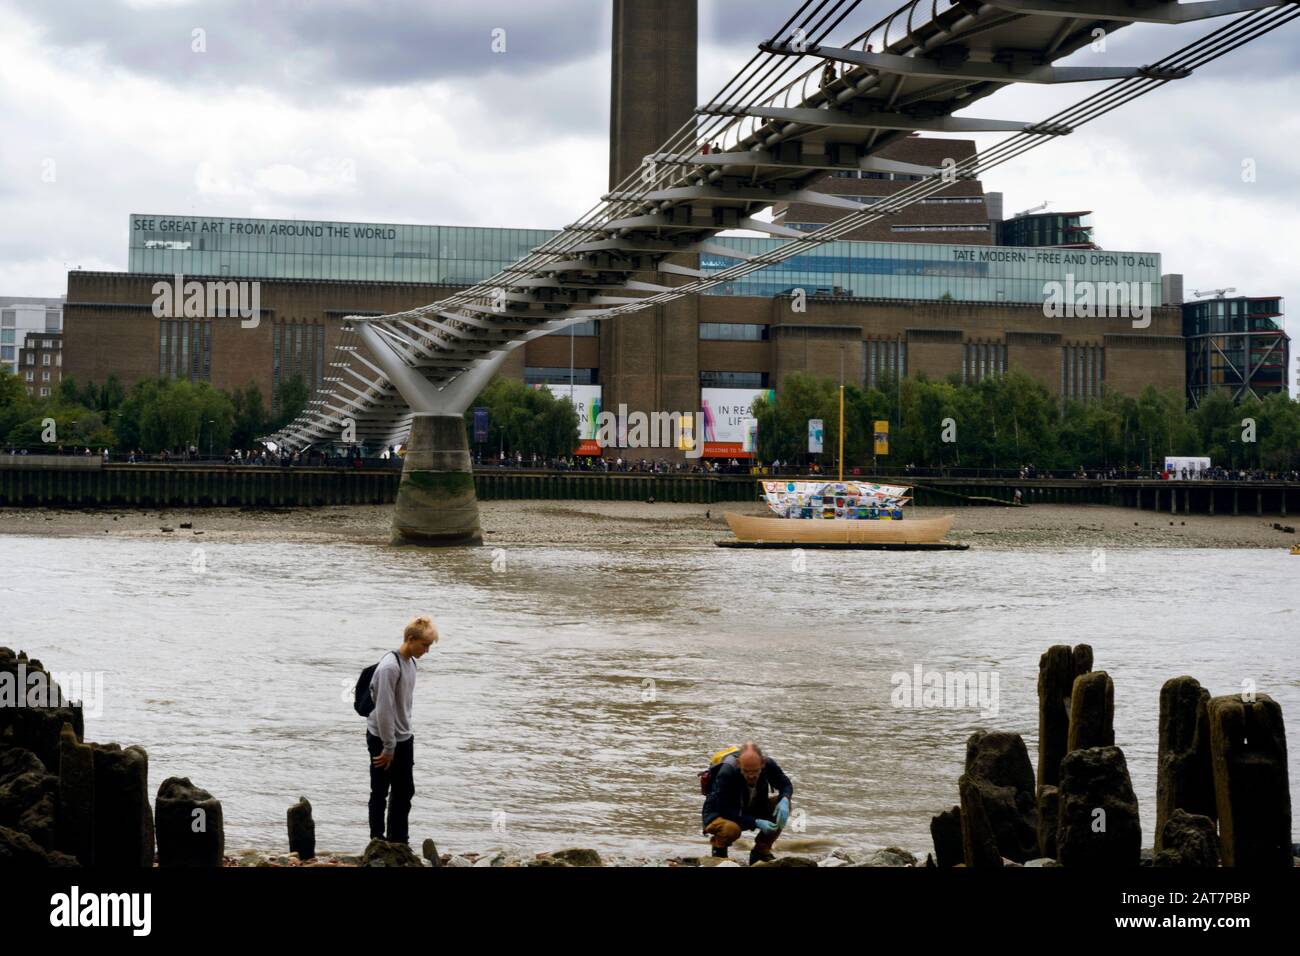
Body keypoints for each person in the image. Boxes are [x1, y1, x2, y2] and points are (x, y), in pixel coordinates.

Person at [366, 616, 439, 846]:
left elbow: (403, 704)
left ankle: (398, 842)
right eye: (424, 645)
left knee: (404, 791)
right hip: (383, 738)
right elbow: (383, 710)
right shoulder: (390, 667)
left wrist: (403, 737)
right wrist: (389, 747)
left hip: (403, 736)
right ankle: (377, 842)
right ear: (410, 639)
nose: (427, 650)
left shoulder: (411, 663)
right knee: (380, 791)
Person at [702, 740, 794, 864]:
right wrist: (755, 822)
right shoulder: (727, 772)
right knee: (731, 829)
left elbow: (786, 785)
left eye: (755, 771)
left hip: (751, 808)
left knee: (782, 806)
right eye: (746, 771)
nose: (751, 776)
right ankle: (719, 851)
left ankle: (760, 851)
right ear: (739, 764)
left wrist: (785, 799)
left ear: (762, 763)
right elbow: (723, 809)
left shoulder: (769, 765)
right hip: (720, 814)